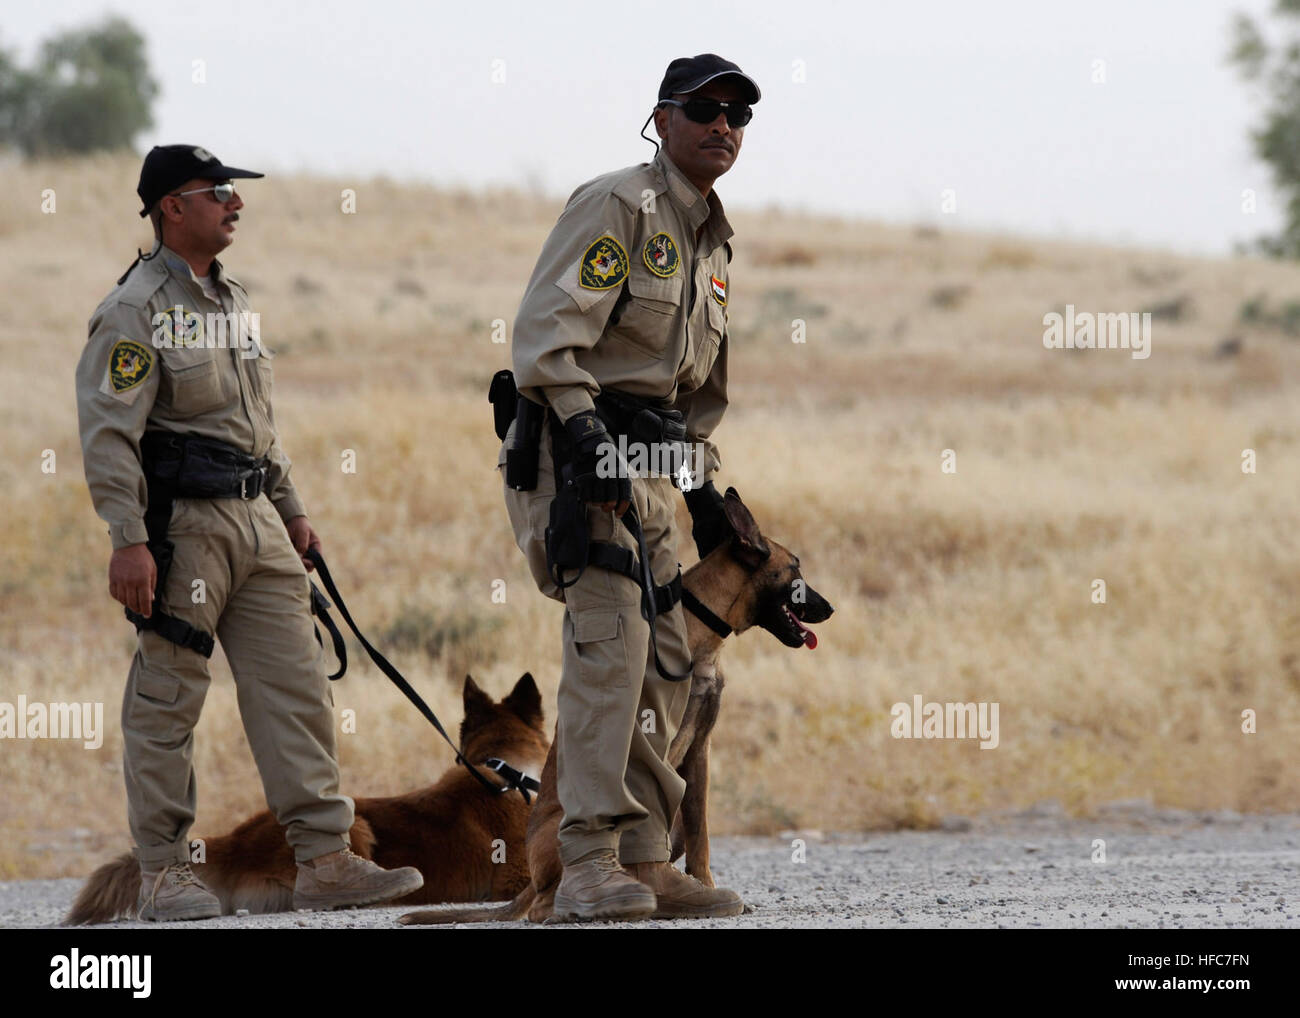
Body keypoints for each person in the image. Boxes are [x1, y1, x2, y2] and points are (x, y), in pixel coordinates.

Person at [74, 144, 423, 921]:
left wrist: (293, 511)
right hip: (182, 529)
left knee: (297, 691)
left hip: (259, 523)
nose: (235, 202)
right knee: (168, 699)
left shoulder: (232, 302)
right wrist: (127, 538)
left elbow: (258, 429)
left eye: (234, 190)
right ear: (171, 207)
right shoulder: (134, 310)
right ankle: (165, 874)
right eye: (217, 191)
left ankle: (326, 862)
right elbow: (108, 433)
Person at [500, 55, 759, 921]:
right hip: (580, 464)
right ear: (663, 117)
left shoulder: (712, 240)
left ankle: (645, 861)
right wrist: (582, 438)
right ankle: (585, 864)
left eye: (739, 114)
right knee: (611, 648)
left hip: (650, 470)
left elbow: (695, 398)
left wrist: (702, 492)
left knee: (663, 662)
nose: (724, 124)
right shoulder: (620, 206)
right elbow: (543, 337)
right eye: (706, 109)